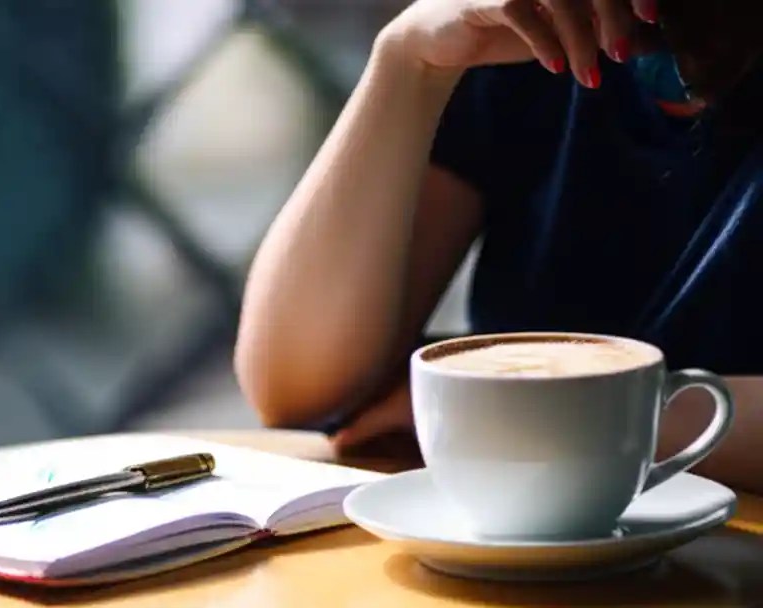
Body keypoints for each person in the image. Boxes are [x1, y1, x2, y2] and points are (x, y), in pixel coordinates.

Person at [235, 0, 763, 495]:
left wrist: (508, 417)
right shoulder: (536, 39)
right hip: (519, 537)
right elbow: (297, 385)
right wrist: (409, 60)